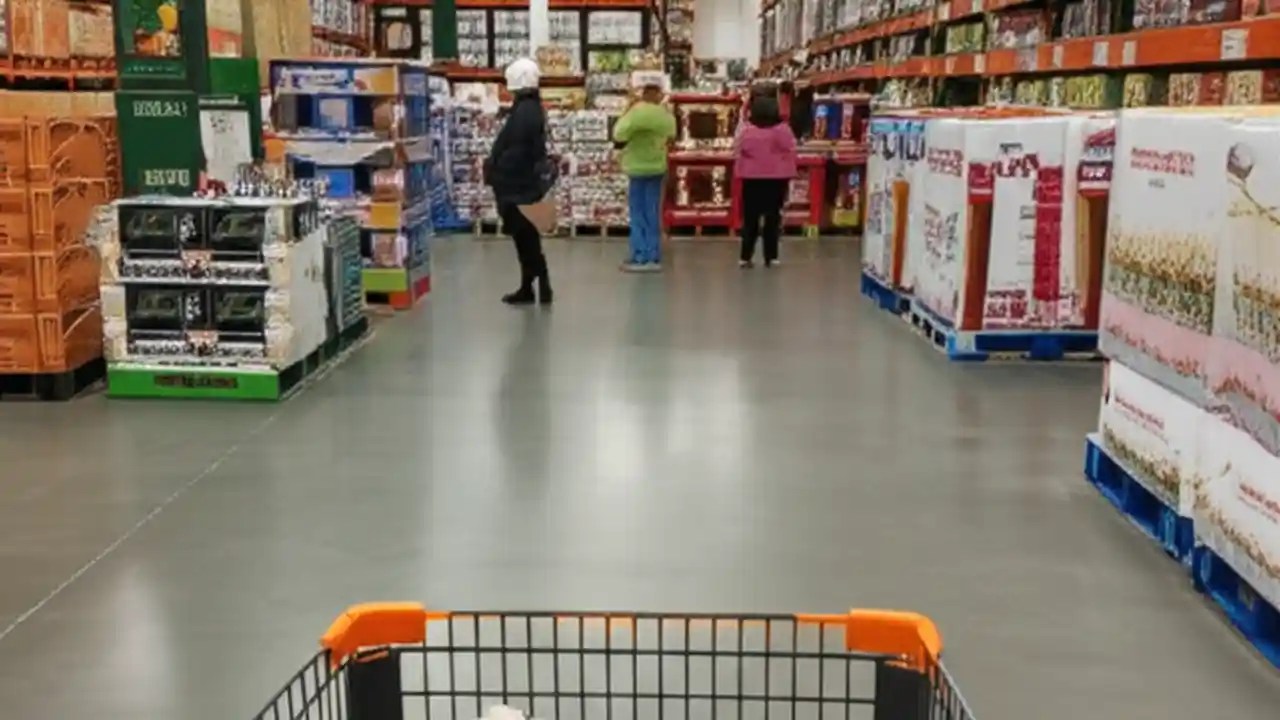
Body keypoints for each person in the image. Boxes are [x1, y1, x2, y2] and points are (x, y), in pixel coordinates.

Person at [486, 58, 554, 304]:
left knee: (524, 238)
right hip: (525, 185)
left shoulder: (524, 111)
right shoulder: (531, 108)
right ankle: (535, 286)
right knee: (527, 237)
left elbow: (515, 149)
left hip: (516, 187)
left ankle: (536, 286)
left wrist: (495, 171)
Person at [612, 82, 677, 272]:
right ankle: (653, 255)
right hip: (657, 166)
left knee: (637, 213)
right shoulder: (664, 115)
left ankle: (639, 256)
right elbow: (672, 133)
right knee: (652, 211)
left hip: (637, 167)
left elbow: (619, 134)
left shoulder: (635, 112)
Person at [734, 93, 797, 268]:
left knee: (750, 218)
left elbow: (738, 147)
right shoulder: (783, 129)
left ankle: (745, 257)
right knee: (773, 218)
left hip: (751, 178)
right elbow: (791, 147)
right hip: (776, 179)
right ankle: (772, 257)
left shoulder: (747, 130)